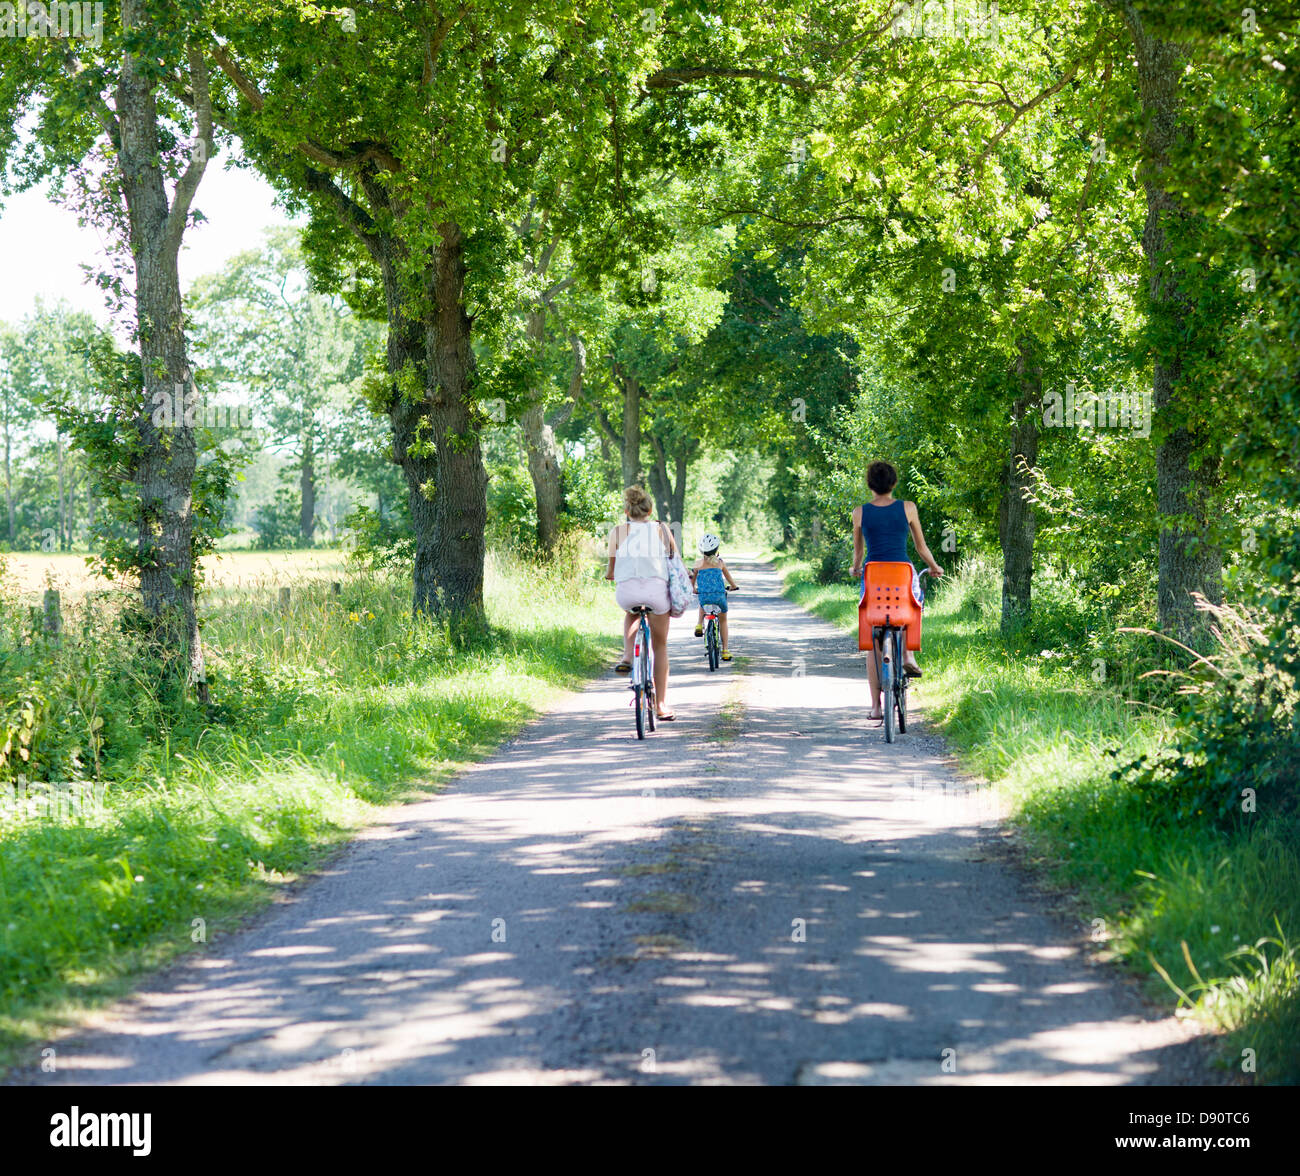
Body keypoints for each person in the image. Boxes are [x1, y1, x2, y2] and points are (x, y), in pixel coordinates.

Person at [849, 460, 944, 722]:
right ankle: (908, 654)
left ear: (870, 484)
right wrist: (934, 567)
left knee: (872, 641)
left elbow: (859, 553)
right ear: (894, 483)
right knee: (914, 603)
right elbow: (921, 547)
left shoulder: (860, 512)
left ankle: (876, 707)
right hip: (902, 574)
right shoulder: (908, 508)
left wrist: (855, 568)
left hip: (873, 577)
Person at [606, 485, 677, 721]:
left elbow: (611, 570)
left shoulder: (617, 531)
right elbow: (673, 561)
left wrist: (611, 575)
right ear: (650, 509)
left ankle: (627, 655)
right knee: (660, 646)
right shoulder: (662, 530)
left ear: (627, 511)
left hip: (627, 593)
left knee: (631, 613)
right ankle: (661, 706)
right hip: (656, 593)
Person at [690, 532, 740, 660]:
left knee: (703, 601)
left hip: (705, 597)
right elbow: (729, 578)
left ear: (702, 551)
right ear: (716, 549)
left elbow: (692, 582)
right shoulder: (720, 563)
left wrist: (694, 590)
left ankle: (699, 624)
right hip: (719, 597)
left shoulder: (697, 564)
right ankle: (725, 651)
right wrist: (733, 586)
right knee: (723, 620)